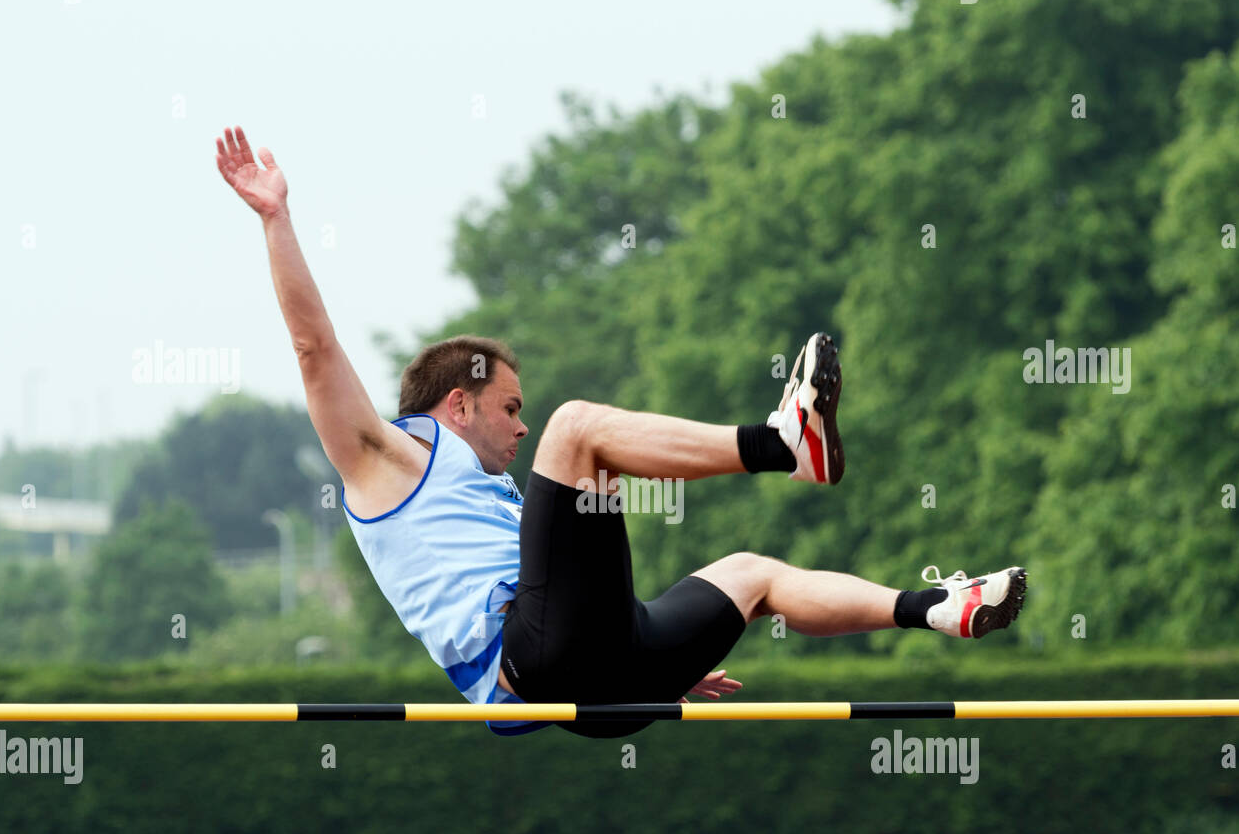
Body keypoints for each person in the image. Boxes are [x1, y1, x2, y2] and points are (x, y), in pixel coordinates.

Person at [216, 126, 1027, 737]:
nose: (521, 425)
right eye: (506, 408)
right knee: (579, 430)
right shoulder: (386, 463)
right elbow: (314, 348)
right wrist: (276, 218)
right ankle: (783, 445)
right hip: (539, 665)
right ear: (455, 404)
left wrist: (651, 661)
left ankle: (936, 607)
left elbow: (572, 570)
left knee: (750, 575)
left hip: (610, 680)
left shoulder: (499, 500)